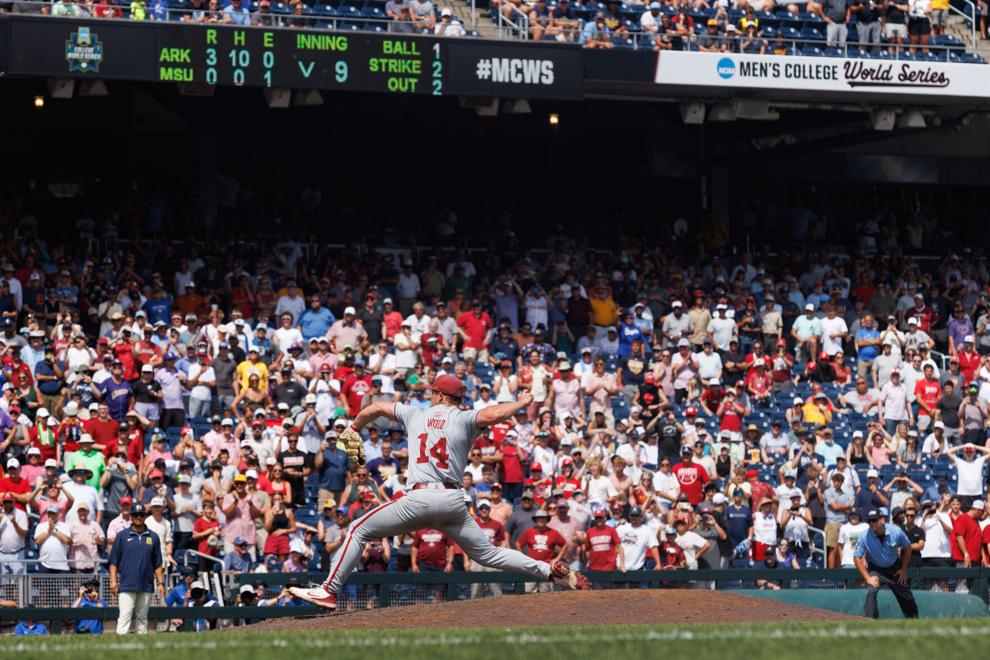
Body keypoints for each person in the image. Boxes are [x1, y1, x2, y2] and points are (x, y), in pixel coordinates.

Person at [289, 376, 588, 610]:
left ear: (440, 395)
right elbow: (495, 413)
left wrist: (354, 427)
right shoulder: (464, 418)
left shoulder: (415, 414)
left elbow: (377, 407)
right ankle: (548, 570)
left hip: (419, 500)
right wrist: (521, 401)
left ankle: (329, 591)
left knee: (358, 529)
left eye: (434, 392)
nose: (431, 396)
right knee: (488, 553)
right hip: (452, 501)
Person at [108, 504, 165, 635]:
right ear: (131, 516)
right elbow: (113, 562)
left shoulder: (154, 537)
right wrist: (113, 580)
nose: (138, 517)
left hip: (146, 584)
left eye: (141, 515)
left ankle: (142, 644)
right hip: (127, 583)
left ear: (145, 517)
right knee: (124, 616)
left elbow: (158, 564)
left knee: (142, 617)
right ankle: (120, 642)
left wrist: (160, 583)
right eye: (135, 515)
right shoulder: (122, 536)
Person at [853, 508, 918, 619]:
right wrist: (867, 577)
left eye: (874, 520)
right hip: (876, 569)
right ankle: (870, 622)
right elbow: (856, 557)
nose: (871, 523)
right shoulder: (864, 536)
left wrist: (903, 569)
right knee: (871, 591)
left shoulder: (896, 531)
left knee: (907, 597)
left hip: (895, 569)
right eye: (869, 521)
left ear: (882, 520)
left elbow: (908, 547)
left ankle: (914, 621)